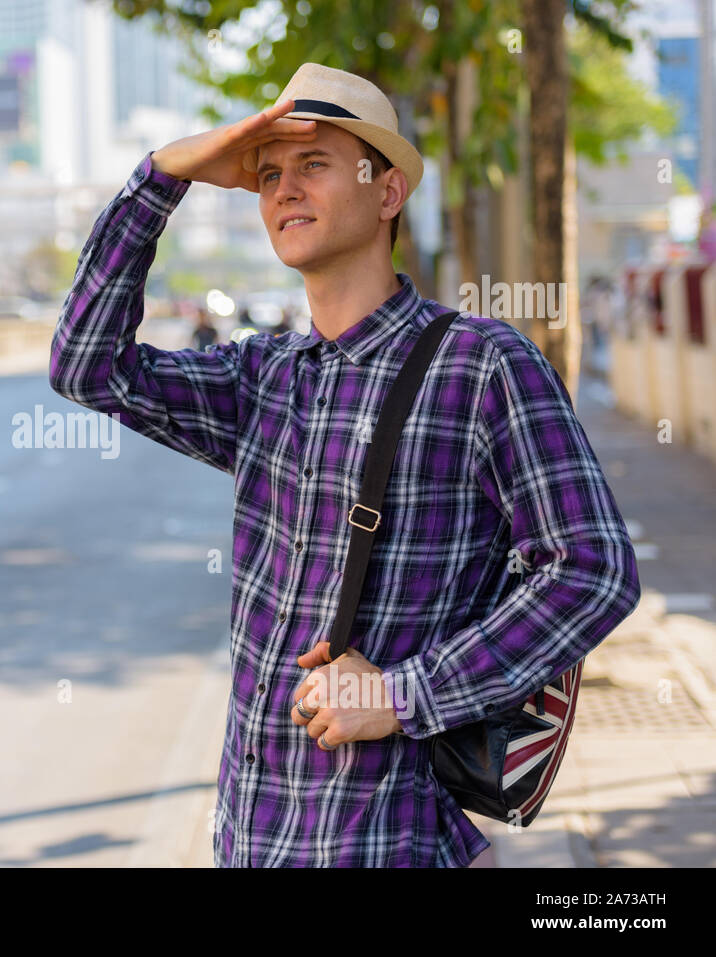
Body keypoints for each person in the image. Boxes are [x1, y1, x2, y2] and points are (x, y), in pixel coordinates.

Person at [48, 62, 641, 867]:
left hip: (383, 836)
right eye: (267, 175)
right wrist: (162, 177)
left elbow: (593, 569)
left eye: (314, 165)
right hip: (252, 834)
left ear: (387, 191)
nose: (285, 191)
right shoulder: (263, 377)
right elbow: (87, 366)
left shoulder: (481, 363)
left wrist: (404, 694)